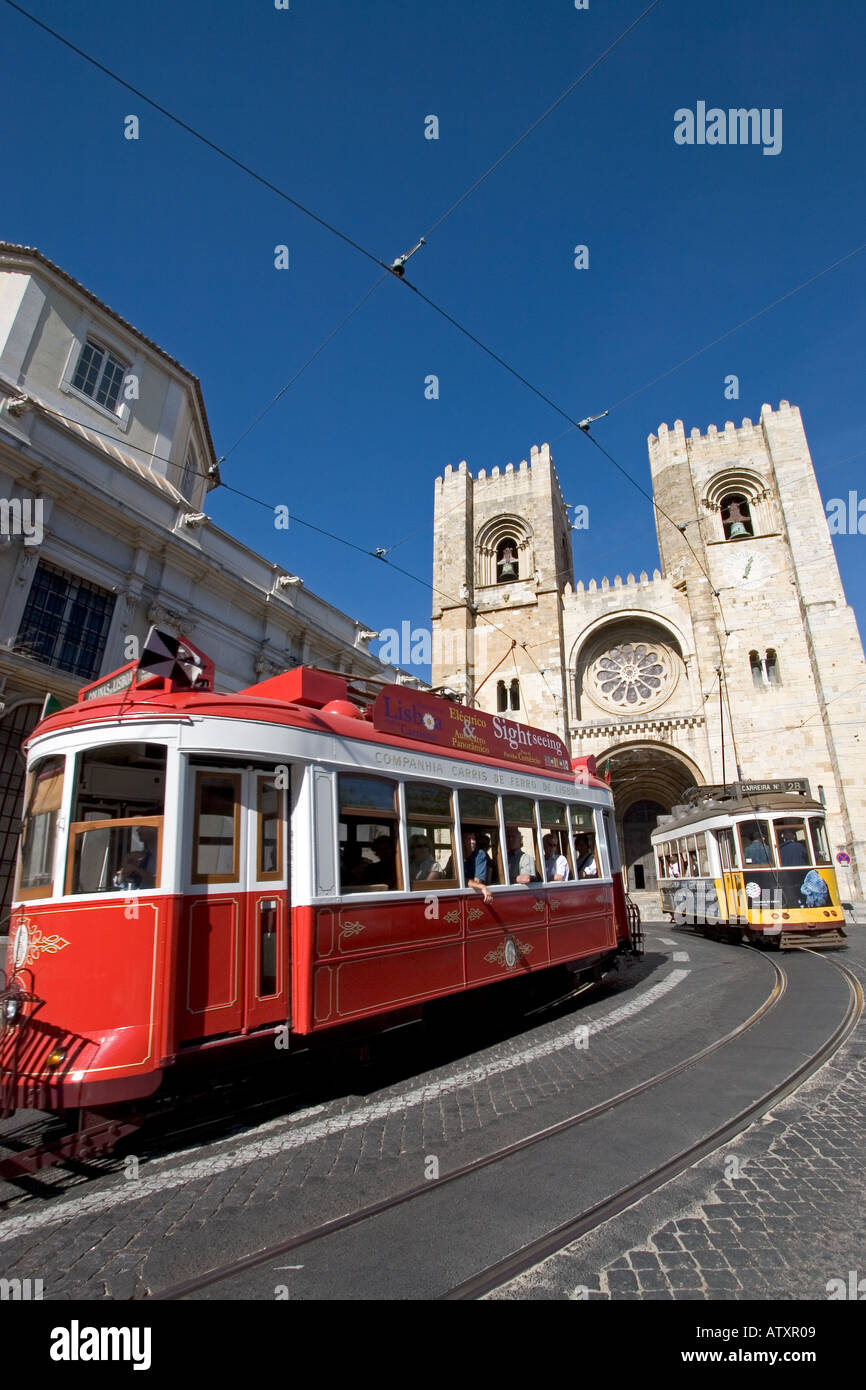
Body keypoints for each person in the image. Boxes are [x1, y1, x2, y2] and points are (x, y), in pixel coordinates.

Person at [114, 825, 157, 890]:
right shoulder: (137, 856)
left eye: (143, 826)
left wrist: (136, 869)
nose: (138, 830)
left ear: (154, 829)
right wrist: (124, 873)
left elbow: (158, 882)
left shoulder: (163, 856)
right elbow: (118, 884)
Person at [461, 829, 492, 903]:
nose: (473, 842)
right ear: (462, 841)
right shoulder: (456, 856)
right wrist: (481, 886)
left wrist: (481, 886)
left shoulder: (479, 854)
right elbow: (449, 878)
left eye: (474, 839)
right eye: (469, 839)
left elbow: (477, 882)